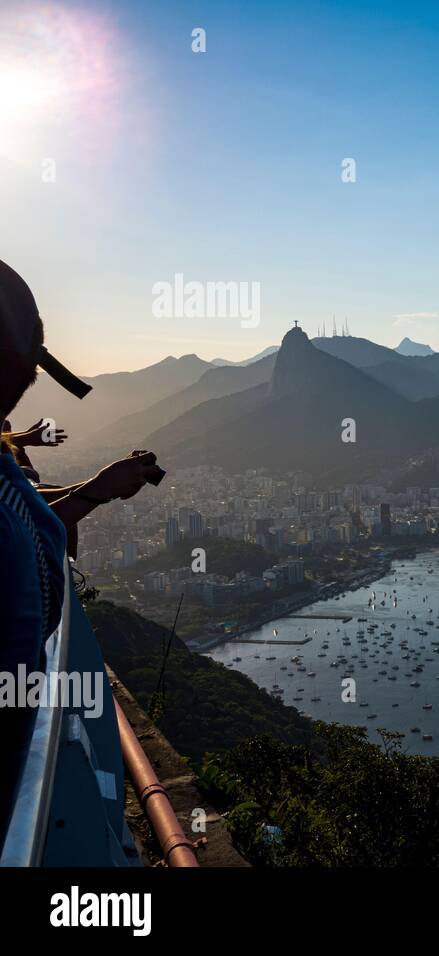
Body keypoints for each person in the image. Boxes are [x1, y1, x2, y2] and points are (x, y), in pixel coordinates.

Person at [0, 257, 160, 802]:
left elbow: (29, 504)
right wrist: (96, 490)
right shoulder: (9, 516)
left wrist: (96, 485)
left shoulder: (8, 491)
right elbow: (30, 522)